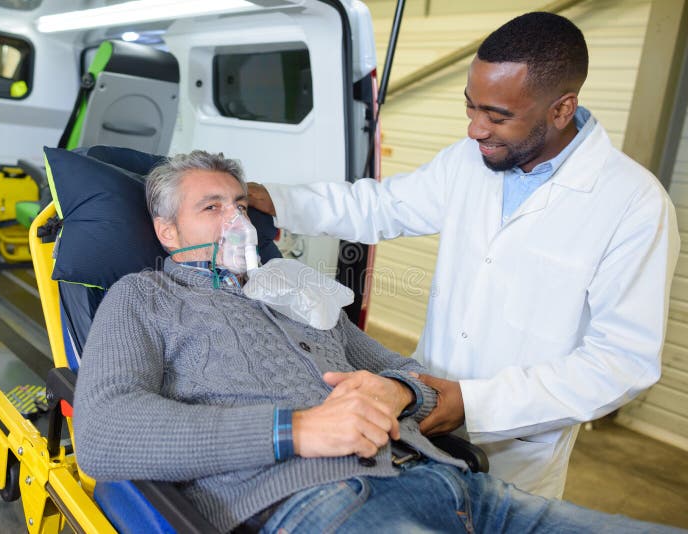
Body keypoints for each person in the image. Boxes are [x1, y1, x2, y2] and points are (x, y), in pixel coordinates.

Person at [72, 150, 681, 533]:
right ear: (166, 230)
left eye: (238, 205)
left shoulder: (294, 289)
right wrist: (297, 430)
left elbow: (405, 371)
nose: (235, 221)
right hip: (325, 503)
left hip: (449, 483)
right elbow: (103, 434)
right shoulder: (144, 297)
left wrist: (401, 392)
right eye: (211, 207)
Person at [247, 11, 680, 498]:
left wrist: (475, 403)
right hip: (421, 406)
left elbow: (622, 361)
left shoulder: (632, 205)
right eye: (471, 107)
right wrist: (278, 199)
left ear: (562, 109)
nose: (475, 129)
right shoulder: (467, 161)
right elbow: (381, 207)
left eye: (497, 116)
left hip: (517, 448)